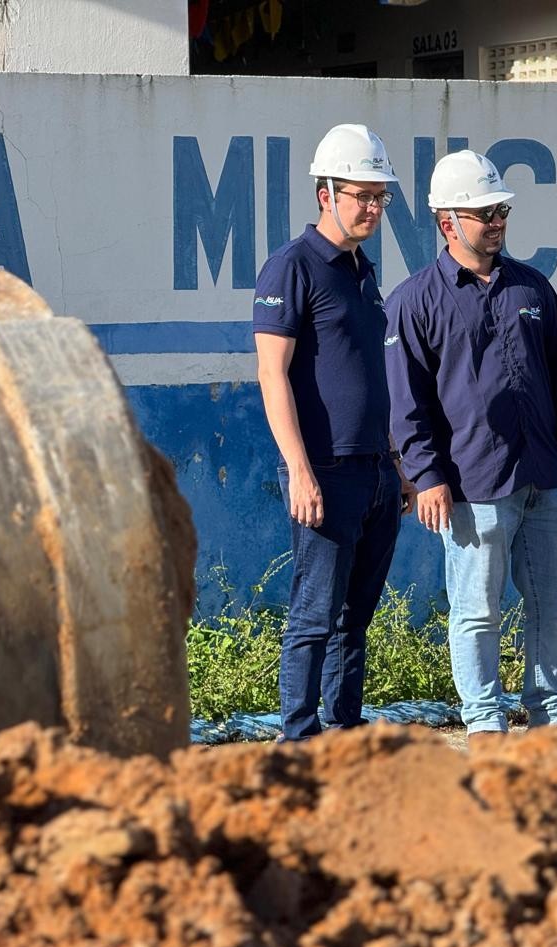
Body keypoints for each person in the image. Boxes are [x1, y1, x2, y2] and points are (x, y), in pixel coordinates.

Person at [384, 149, 557, 757]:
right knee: (476, 610)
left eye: (500, 209)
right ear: (447, 223)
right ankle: (485, 725)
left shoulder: (531, 287)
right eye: (483, 211)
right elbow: (405, 402)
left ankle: (551, 720)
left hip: (547, 474)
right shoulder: (414, 301)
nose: (496, 219)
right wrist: (427, 475)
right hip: (470, 484)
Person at [252, 123, 415, 743]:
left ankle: (343, 735)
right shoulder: (291, 268)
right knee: (314, 616)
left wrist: (396, 464)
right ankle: (297, 742)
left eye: (380, 198)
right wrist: (299, 467)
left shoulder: (362, 271)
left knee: (356, 619)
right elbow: (273, 375)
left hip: (375, 470)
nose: (372, 208)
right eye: (361, 195)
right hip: (325, 471)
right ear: (326, 193)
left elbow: (374, 378)